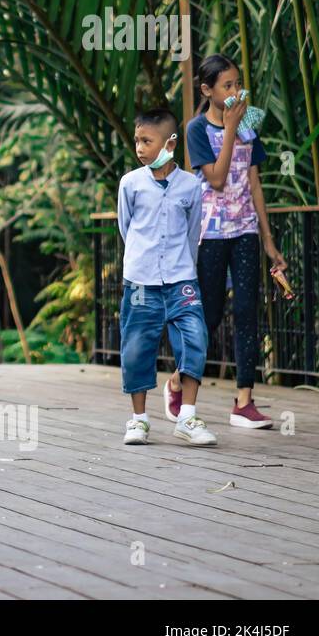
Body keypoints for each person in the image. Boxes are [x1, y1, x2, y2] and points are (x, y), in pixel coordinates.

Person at [177, 54, 284, 429]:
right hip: (211, 234)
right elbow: (218, 179)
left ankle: (244, 401)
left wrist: (268, 242)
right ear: (207, 91)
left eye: (237, 84)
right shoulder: (195, 129)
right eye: (227, 86)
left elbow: (253, 182)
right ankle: (179, 381)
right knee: (209, 314)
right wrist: (229, 130)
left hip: (245, 232)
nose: (235, 91)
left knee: (247, 313)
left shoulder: (249, 122)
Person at [117, 107, 215, 446]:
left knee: (195, 339)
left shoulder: (190, 186)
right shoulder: (130, 184)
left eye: (147, 141)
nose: (140, 148)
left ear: (170, 143)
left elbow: (192, 234)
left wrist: (182, 266)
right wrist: (142, 262)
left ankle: (187, 416)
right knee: (136, 347)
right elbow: (126, 229)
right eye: (137, 141)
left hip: (181, 279)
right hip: (141, 281)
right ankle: (139, 420)